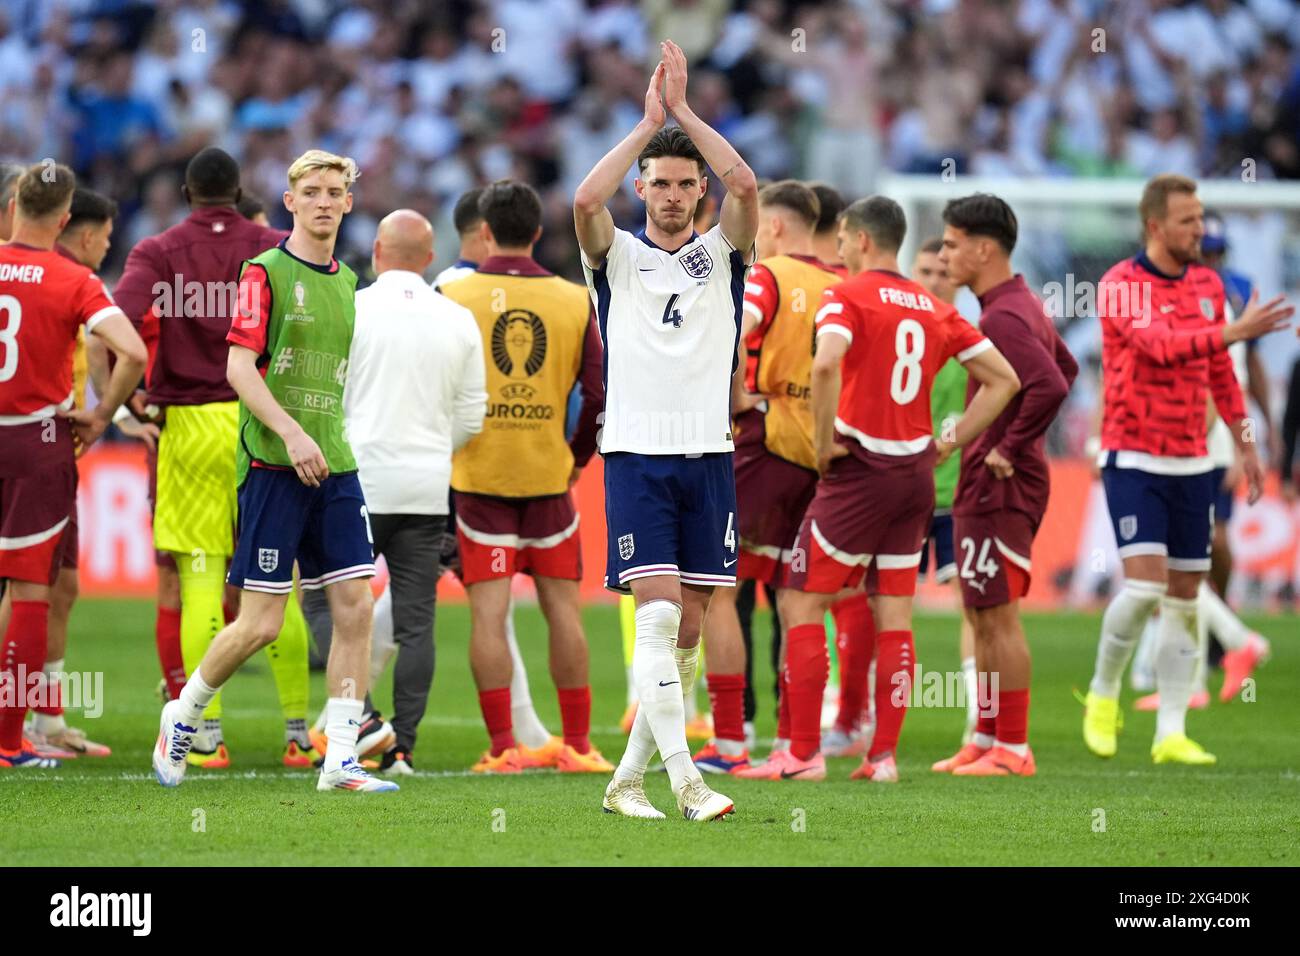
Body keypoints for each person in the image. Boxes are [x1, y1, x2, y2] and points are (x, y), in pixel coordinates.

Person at [737, 196, 1019, 784]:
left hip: (860, 469)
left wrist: (821, 444)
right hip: (915, 476)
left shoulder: (847, 294)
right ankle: (882, 757)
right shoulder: (933, 305)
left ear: (862, 241)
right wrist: (952, 437)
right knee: (894, 614)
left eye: (841, 239)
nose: (836, 250)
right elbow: (1004, 381)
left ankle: (803, 754)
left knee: (800, 600)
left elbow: (824, 365)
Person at [153, 149, 395, 793]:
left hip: (335, 465)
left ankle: (340, 757)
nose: (323, 201)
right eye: (311, 190)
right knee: (260, 623)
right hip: (272, 464)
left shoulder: (349, 284)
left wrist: (329, 438)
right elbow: (237, 369)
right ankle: (184, 715)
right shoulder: (263, 272)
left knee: (354, 608)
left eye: (334, 191)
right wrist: (289, 434)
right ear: (289, 201)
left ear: (348, 203)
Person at [575, 40, 758, 821]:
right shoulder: (615, 259)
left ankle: (625, 783)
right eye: (662, 182)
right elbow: (585, 202)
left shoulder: (725, 255)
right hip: (638, 455)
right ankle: (687, 783)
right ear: (643, 186)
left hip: (710, 455)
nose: (675, 194)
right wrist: (646, 125)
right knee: (655, 616)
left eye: (687, 184)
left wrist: (683, 114)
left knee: (688, 626)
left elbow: (747, 182)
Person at [115, 146, 319, 770]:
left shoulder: (156, 251)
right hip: (263, 421)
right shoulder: (276, 246)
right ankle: (297, 735)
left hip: (191, 425)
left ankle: (205, 736)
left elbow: (114, 324)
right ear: (239, 191)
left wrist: (128, 404)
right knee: (273, 578)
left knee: (201, 573)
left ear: (186, 192)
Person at [1082, 174, 1292, 766]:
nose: (1200, 229)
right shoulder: (1121, 285)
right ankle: (1102, 692)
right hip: (1134, 453)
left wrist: (1247, 445)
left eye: (1201, 218)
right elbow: (1160, 346)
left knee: (1181, 595)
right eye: (1188, 220)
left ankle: (1170, 731)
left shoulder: (1208, 283)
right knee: (1145, 586)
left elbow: (1224, 376)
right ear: (1155, 227)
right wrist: (1232, 331)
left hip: (1194, 460)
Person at [442, 179, 610, 775]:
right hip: (549, 475)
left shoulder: (456, 296)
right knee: (564, 613)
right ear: (539, 233)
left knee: (488, 617)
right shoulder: (572, 299)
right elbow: (596, 390)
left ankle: (503, 747)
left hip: (479, 475)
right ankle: (580, 746)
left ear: (484, 231)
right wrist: (577, 455)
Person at [0, 163, 147, 769]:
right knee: (32, 590)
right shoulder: (73, 279)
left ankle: (39, 724)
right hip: (35, 444)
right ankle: (10, 742)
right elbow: (133, 350)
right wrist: (103, 414)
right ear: (64, 221)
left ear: (14, 206)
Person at [930, 195, 1078, 777]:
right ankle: (987, 736)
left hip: (1001, 487)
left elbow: (1052, 387)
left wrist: (1007, 448)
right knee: (982, 609)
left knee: (1000, 615)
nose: (943, 256)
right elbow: (1065, 368)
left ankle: (1012, 748)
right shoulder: (1018, 306)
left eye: (950, 243)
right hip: (986, 482)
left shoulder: (1003, 316)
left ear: (983, 248)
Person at [701, 179, 841, 776]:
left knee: (717, 590)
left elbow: (731, 331)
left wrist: (734, 397)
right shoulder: (844, 287)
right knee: (798, 600)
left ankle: (731, 742)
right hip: (824, 458)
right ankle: (796, 746)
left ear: (775, 226)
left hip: (764, 447)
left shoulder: (767, 274)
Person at [343, 208, 487, 775]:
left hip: (357, 482)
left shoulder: (351, 310)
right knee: (415, 623)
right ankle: (400, 747)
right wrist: (430, 450)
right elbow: (472, 416)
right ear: (430, 260)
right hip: (426, 489)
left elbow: (330, 394)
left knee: (329, 602)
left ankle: (364, 721)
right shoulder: (456, 319)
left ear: (377, 252)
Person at [1130, 210, 1272, 706]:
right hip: (1198, 445)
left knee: (1173, 569)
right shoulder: (1206, 298)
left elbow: (1218, 382)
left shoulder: (1201, 299)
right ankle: (1191, 683)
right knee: (1179, 571)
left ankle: (1237, 642)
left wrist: (1233, 444)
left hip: (1193, 448)